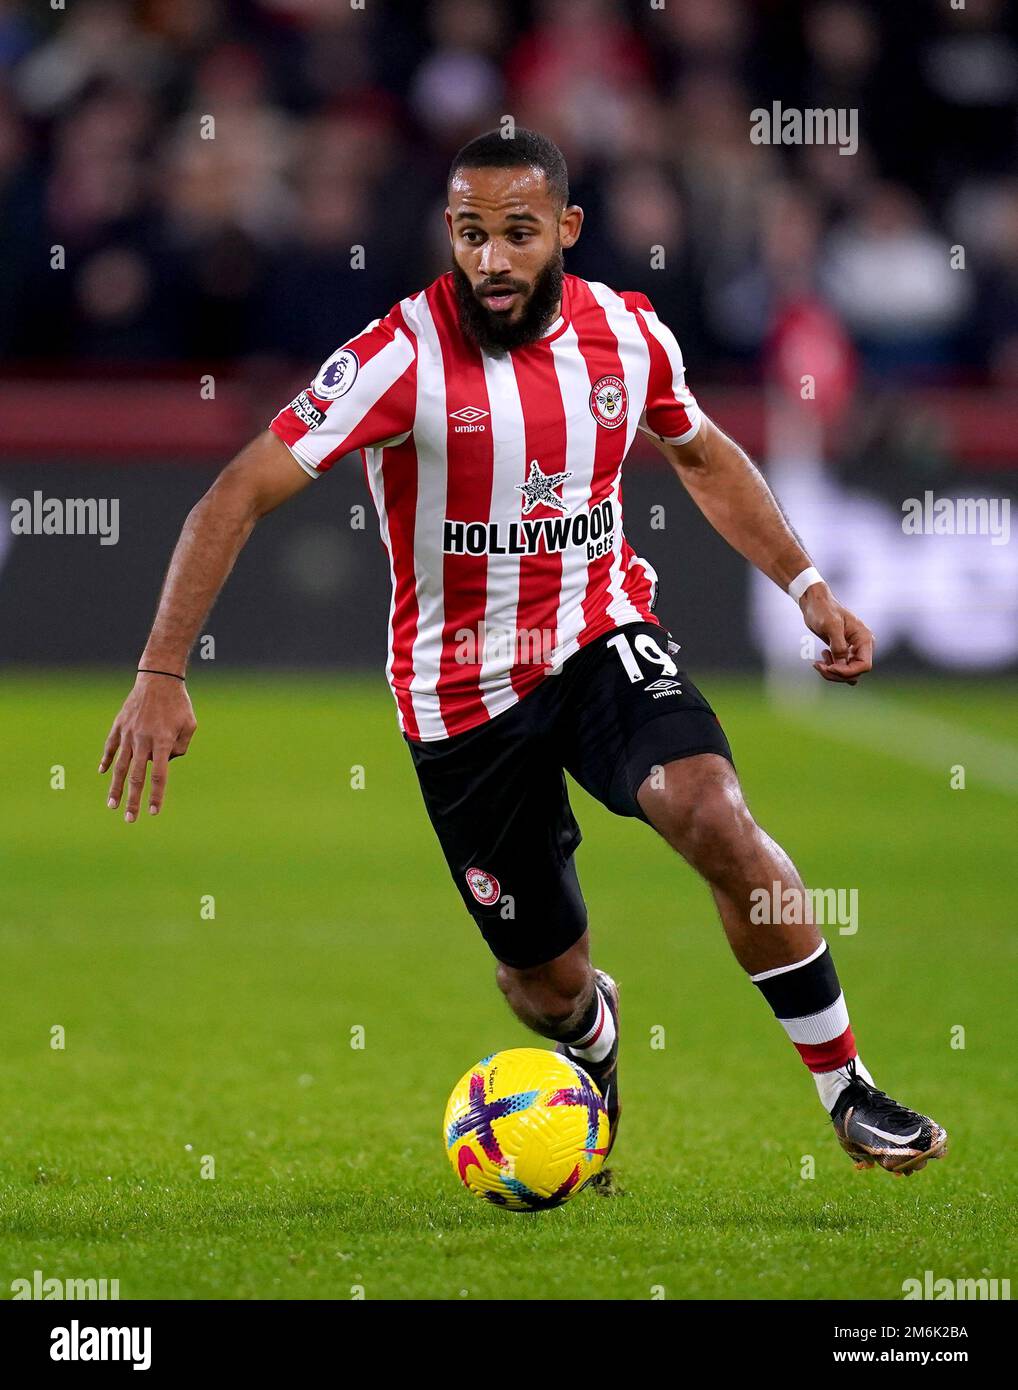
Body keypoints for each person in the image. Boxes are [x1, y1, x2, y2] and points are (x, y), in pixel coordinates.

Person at [99, 128, 946, 1187]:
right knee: (543, 983)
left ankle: (846, 1086)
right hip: (458, 698)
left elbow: (698, 452)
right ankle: (594, 1047)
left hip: (600, 640)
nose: (490, 260)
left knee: (712, 811)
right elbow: (238, 490)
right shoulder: (395, 356)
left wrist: (810, 588)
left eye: (515, 233)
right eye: (468, 234)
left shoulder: (628, 335)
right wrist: (161, 672)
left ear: (565, 231)